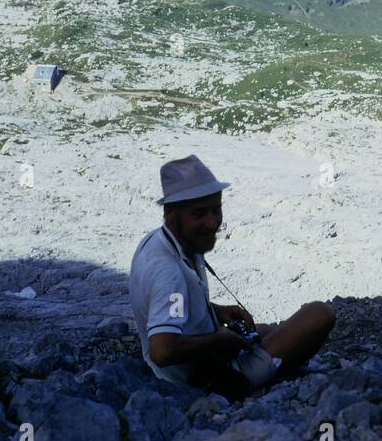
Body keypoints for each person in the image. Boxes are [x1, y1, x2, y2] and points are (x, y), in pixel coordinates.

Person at [129, 155, 335, 401]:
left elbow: (170, 305)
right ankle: (261, 381)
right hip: (209, 379)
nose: (212, 222)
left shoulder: (160, 242)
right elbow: (162, 351)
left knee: (272, 330)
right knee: (319, 315)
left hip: (199, 364)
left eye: (216, 210)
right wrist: (217, 341)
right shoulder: (168, 272)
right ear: (172, 214)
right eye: (200, 214)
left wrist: (217, 311)